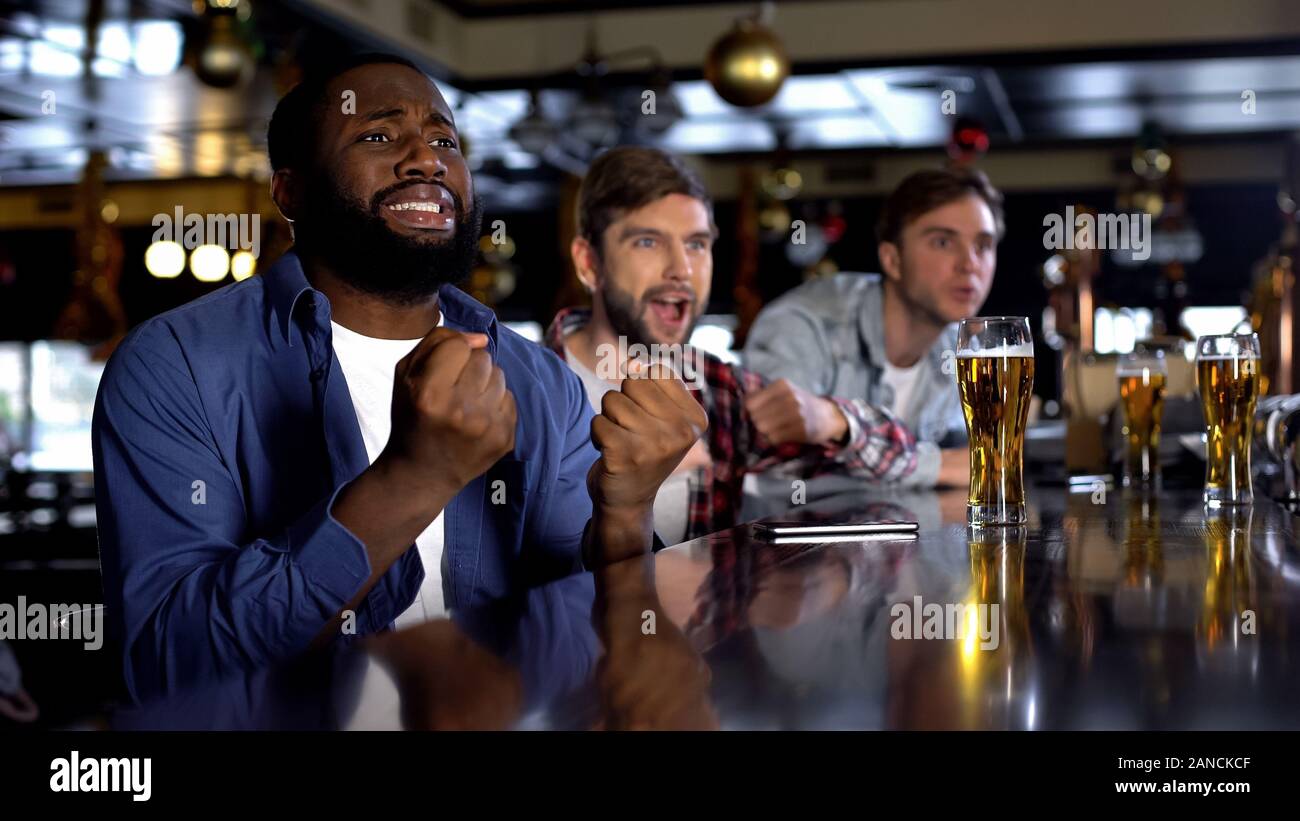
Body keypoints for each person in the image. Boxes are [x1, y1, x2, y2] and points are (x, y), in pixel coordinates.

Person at [92, 53, 703, 703]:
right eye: (378, 136)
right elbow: (168, 665)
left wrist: (627, 511)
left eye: (445, 140)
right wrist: (414, 478)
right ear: (290, 191)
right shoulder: (176, 363)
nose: (427, 160)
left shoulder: (537, 379)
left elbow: (601, 641)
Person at [546, 146, 924, 544]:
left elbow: (900, 457)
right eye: (647, 242)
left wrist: (833, 419)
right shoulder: (524, 386)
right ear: (589, 263)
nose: (682, 270)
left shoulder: (720, 389)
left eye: (696, 244)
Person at [743, 166, 1005, 487]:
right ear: (892, 259)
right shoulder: (804, 324)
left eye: (983, 245)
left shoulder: (960, 351)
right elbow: (782, 475)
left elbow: (984, 465)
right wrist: (936, 467)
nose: (969, 264)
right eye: (942, 242)